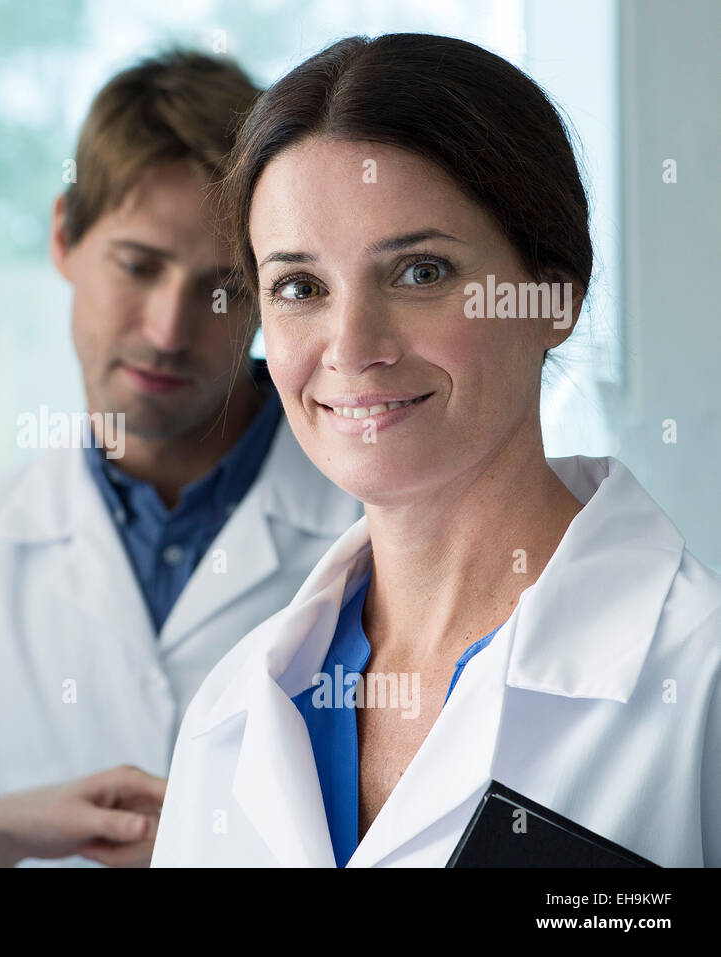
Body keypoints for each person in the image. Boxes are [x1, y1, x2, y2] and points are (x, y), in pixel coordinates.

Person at [152, 33, 721, 867]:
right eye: (301, 287)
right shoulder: (234, 716)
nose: (351, 346)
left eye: (420, 272)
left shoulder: (698, 681)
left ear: (556, 291)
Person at [0, 50, 361, 867]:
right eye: (138, 266)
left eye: (219, 287)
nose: (167, 328)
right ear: (64, 237)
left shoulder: (373, 527)